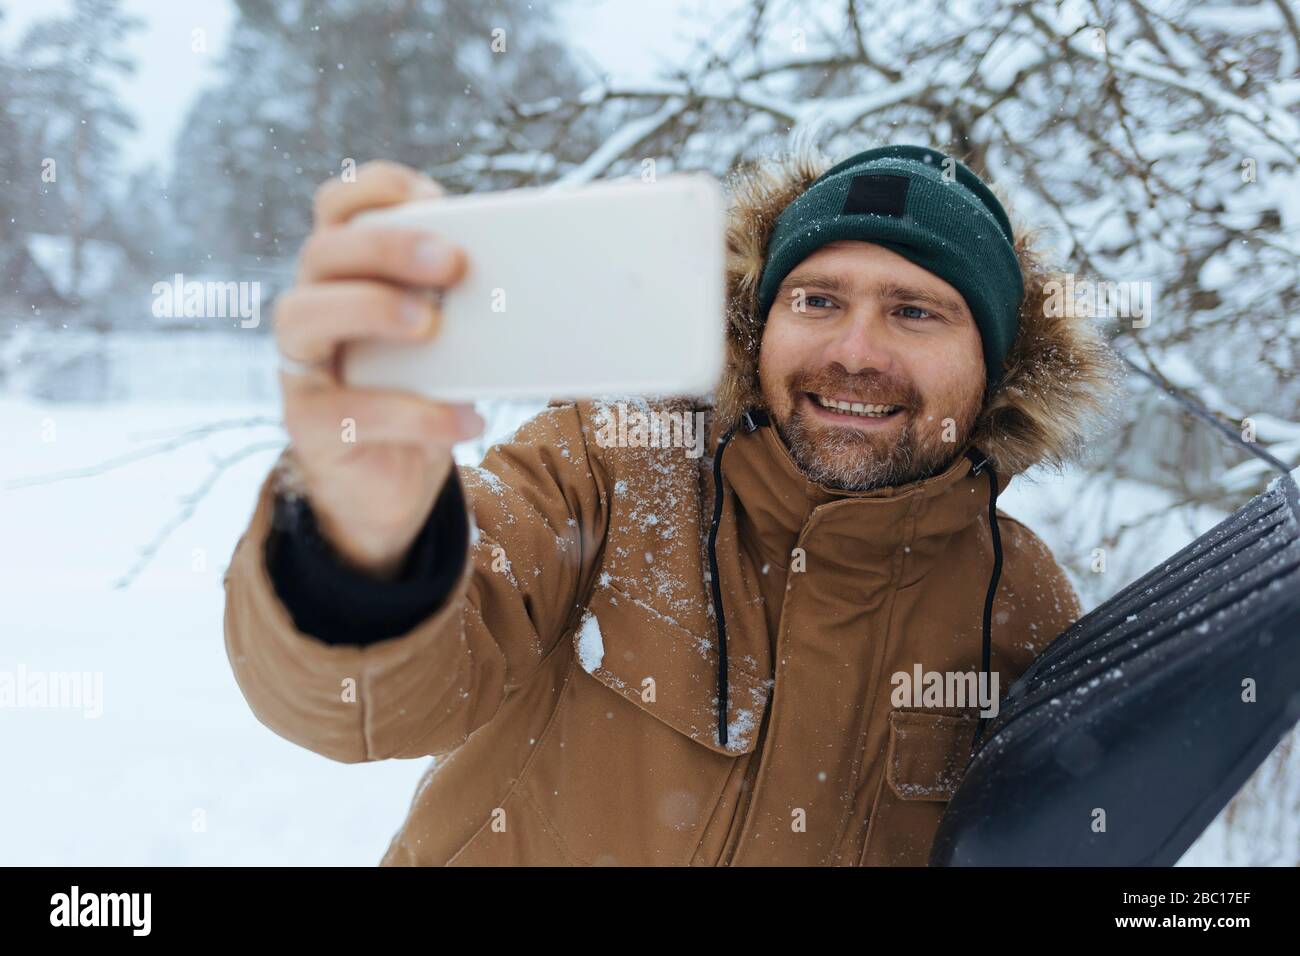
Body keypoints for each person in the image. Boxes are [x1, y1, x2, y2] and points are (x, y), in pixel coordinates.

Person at [223, 145, 1115, 865]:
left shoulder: (1020, 600)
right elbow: (366, 705)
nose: (854, 350)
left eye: (915, 312)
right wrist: (361, 547)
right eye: (817, 298)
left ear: (993, 366)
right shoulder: (612, 464)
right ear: (758, 322)